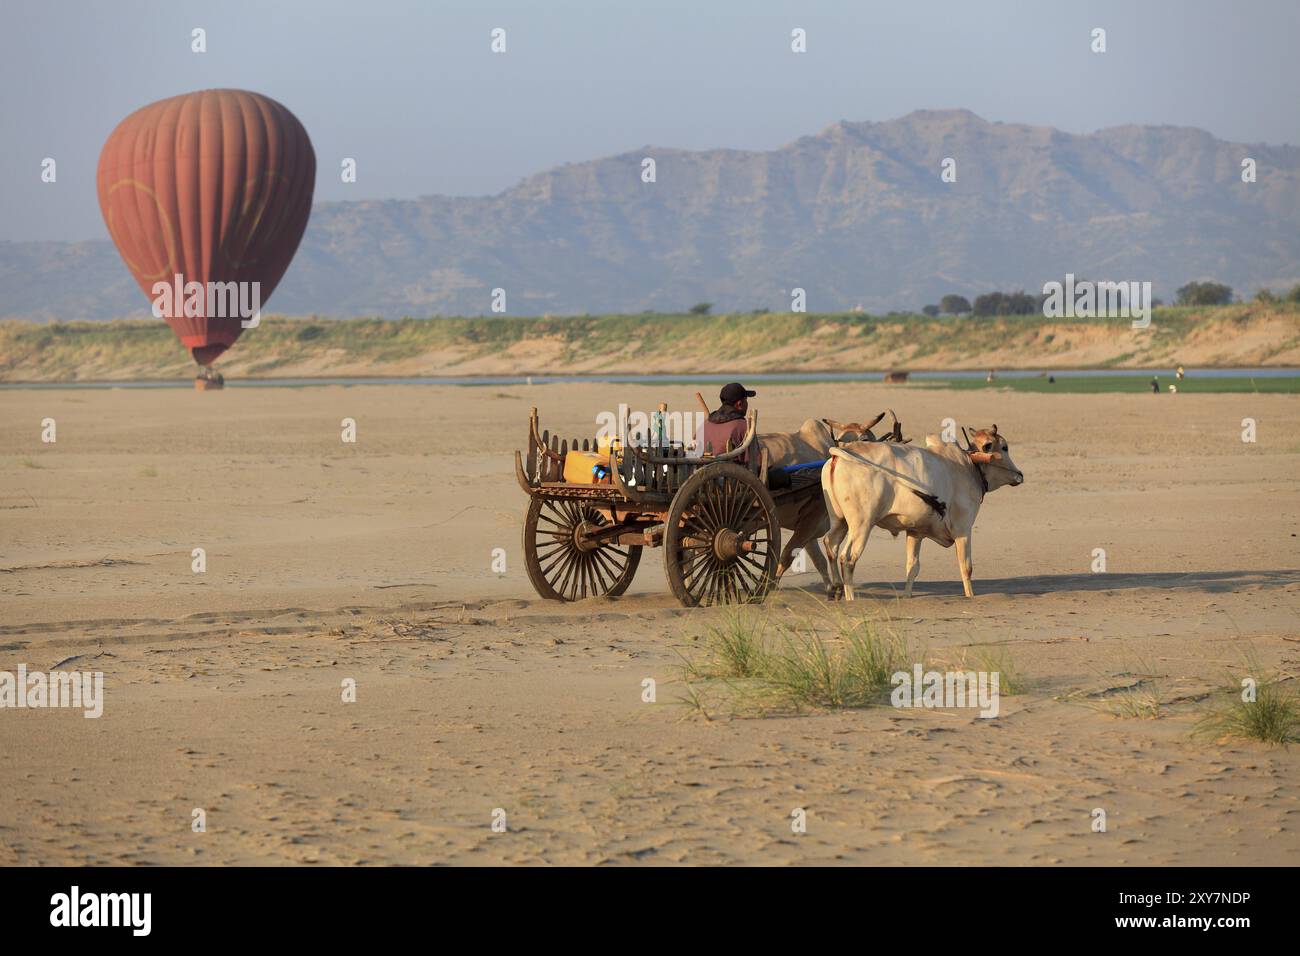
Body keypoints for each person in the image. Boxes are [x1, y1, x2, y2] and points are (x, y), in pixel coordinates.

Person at [701, 382, 756, 462]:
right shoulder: (742, 425)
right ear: (739, 404)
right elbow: (755, 461)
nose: (747, 404)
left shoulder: (706, 423)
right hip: (731, 472)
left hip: (703, 467)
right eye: (746, 400)